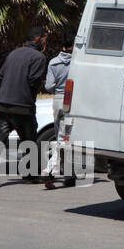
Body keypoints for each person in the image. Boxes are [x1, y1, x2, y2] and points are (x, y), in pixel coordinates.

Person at [0, 27, 49, 187]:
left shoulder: (13, 53)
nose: (46, 43)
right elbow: (34, 82)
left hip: (3, 105)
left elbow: (0, 78)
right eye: (45, 39)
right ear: (38, 39)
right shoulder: (39, 57)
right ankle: (30, 176)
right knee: (29, 141)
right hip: (23, 107)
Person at [43, 32, 76, 189]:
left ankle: (69, 174)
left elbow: (48, 86)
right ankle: (51, 170)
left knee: (60, 136)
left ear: (63, 46)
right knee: (68, 138)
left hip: (58, 100)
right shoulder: (78, 62)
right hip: (73, 100)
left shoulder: (53, 62)